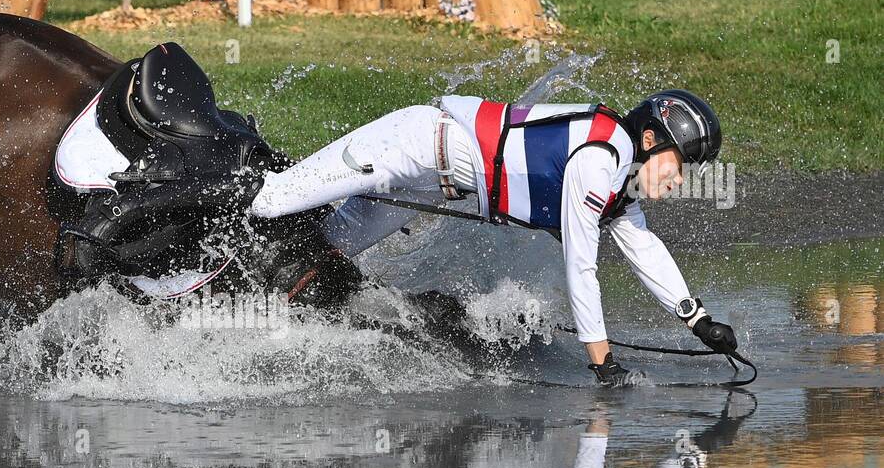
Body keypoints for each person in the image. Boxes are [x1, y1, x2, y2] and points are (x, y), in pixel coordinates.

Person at [246, 90, 738, 385]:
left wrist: (698, 320)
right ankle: (221, 182)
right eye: (680, 165)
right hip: (413, 144)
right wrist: (602, 362)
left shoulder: (621, 179)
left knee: (326, 247)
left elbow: (643, 248)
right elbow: (582, 267)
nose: (680, 180)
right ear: (650, 140)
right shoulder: (599, 159)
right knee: (269, 201)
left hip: (433, 185)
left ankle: (235, 292)